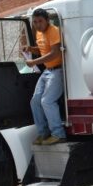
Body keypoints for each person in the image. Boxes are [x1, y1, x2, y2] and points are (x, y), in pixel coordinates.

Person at [24, 8, 66, 145]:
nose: (37, 24)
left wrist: (34, 62)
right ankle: (43, 133)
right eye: (35, 22)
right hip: (48, 71)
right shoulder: (39, 33)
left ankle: (58, 134)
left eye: (40, 21)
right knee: (35, 101)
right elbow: (44, 50)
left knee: (47, 101)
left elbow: (55, 54)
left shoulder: (53, 31)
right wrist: (31, 49)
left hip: (57, 71)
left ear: (47, 20)